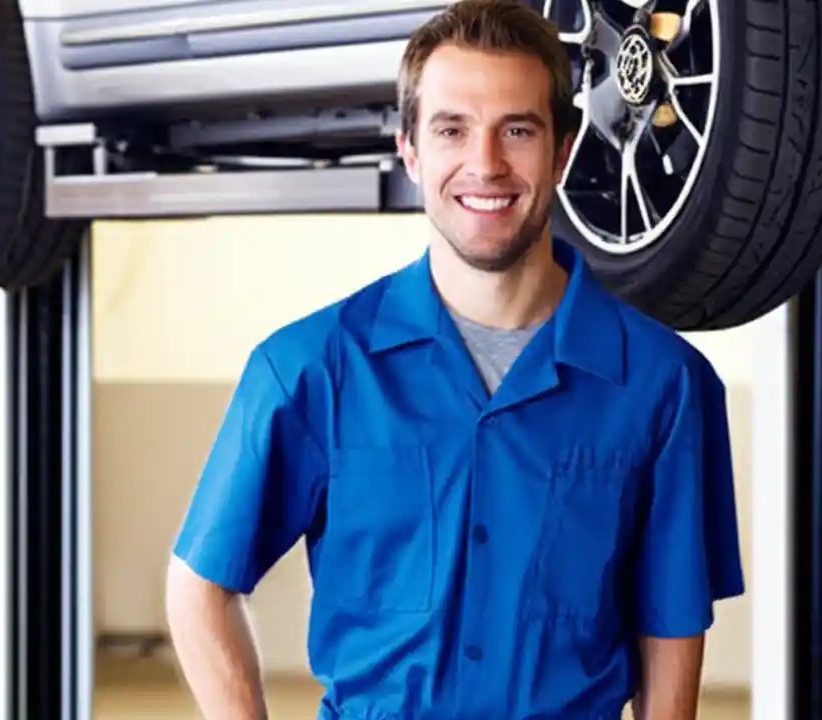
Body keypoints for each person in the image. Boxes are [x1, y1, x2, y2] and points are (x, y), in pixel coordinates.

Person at [164, 1, 744, 718]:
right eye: (451, 130)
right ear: (410, 150)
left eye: (518, 130)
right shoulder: (310, 370)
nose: (485, 164)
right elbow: (200, 586)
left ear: (563, 151)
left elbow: (672, 628)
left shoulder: (665, 385)